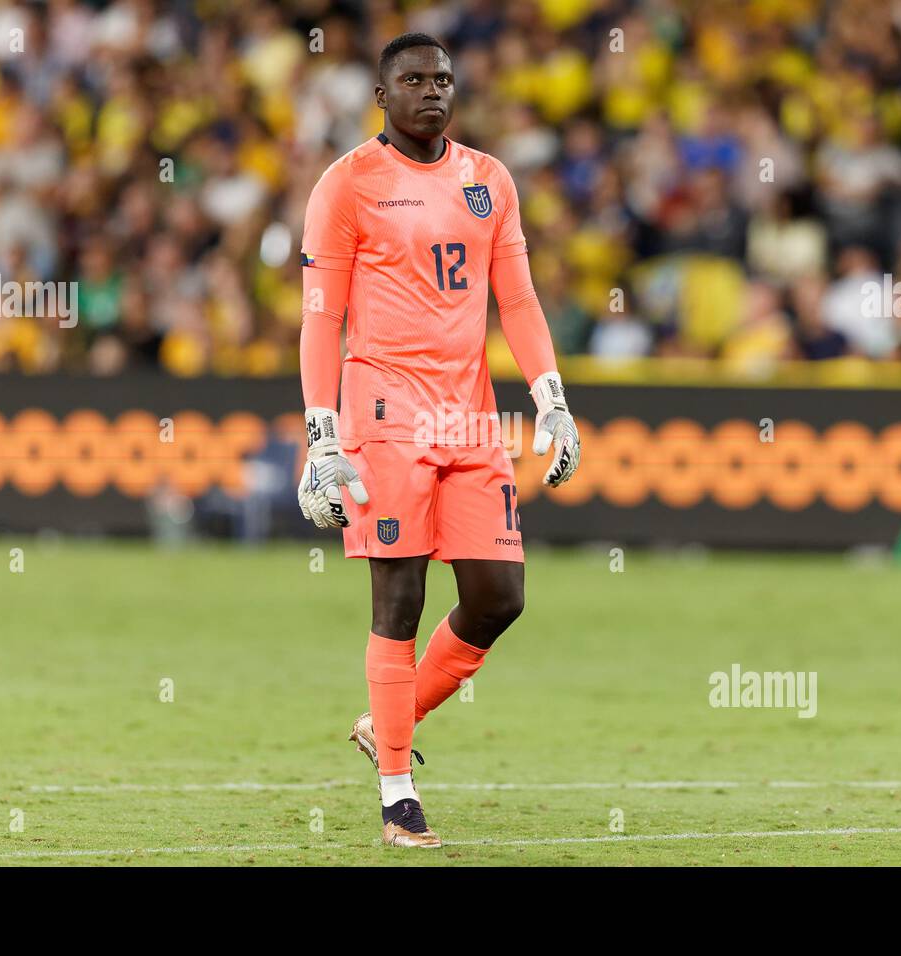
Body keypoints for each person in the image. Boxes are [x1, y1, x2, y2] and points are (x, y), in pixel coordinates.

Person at [296, 32, 580, 848]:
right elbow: (322, 319)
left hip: (468, 413)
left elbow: (518, 302)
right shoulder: (347, 184)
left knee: (499, 596)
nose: (433, 91)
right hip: (382, 412)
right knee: (401, 599)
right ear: (381, 96)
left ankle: (381, 721)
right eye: (414, 80)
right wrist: (322, 436)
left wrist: (551, 401)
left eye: (444, 79)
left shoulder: (488, 180)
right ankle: (397, 796)